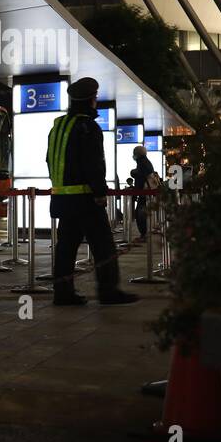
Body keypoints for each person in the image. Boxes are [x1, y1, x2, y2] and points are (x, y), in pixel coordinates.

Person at [46, 77, 139, 305]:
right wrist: (99, 192)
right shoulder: (88, 127)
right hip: (86, 199)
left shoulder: (59, 127)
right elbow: (93, 163)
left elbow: (49, 159)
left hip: (63, 199)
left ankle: (63, 293)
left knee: (66, 247)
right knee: (103, 245)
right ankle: (109, 292)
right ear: (91, 100)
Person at [130, 144, 158, 240]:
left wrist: (133, 173)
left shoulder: (142, 163)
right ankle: (144, 233)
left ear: (137, 154)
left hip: (143, 192)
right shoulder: (145, 162)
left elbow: (140, 178)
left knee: (140, 214)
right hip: (145, 192)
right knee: (142, 213)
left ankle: (144, 234)